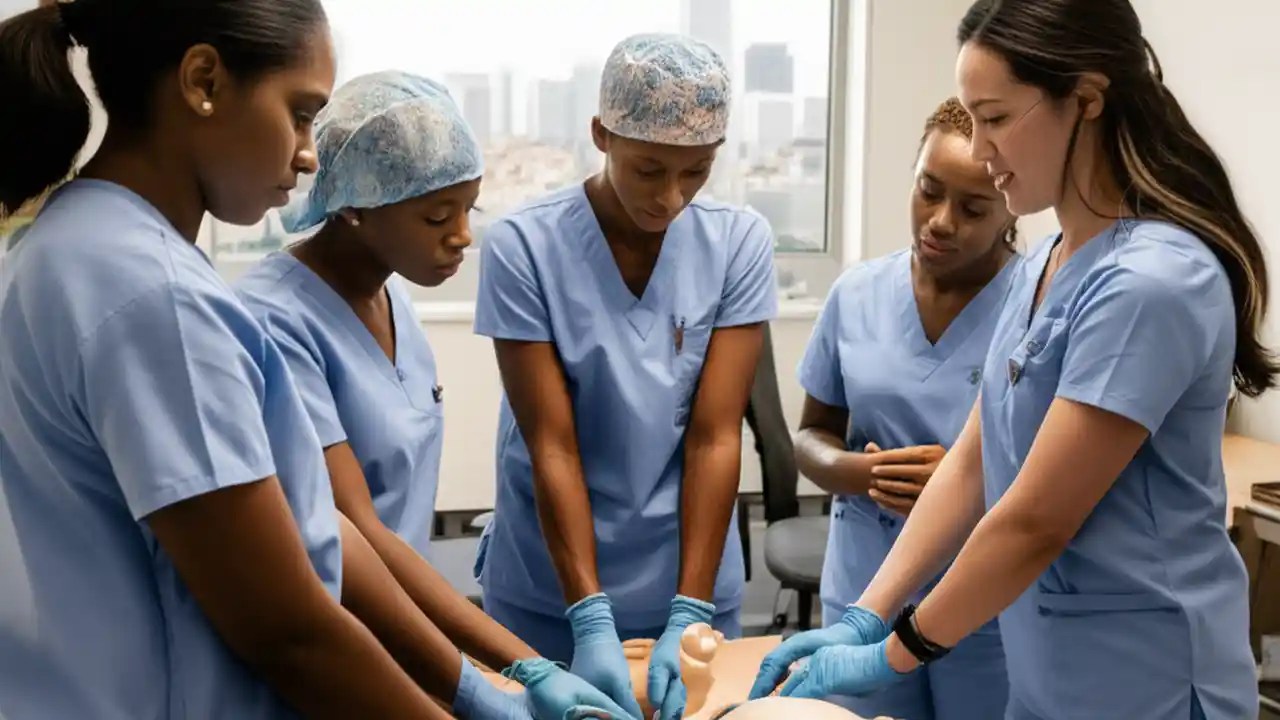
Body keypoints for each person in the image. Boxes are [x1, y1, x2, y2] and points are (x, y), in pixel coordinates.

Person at [750, 1, 1274, 718]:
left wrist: (894, 650)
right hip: (1047, 673)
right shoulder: (1045, 267)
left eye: (995, 118)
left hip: (1144, 678)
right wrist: (864, 616)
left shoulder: (1152, 282)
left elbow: (1034, 521)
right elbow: (975, 461)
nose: (981, 145)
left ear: (1085, 99)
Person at [0, 1, 454, 718]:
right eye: (300, 114)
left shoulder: (68, 246)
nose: (309, 154)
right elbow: (286, 630)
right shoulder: (153, 295)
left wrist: (477, 684)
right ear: (203, 80)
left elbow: (298, 525)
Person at [236, 70, 633, 720]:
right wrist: (521, 662)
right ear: (358, 207)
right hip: (324, 653)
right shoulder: (274, 322)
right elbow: (357, 529)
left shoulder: (393, 298)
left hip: (398, 634)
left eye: (468, 210)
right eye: (435, 216)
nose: (462, 236)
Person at [474, 32, 778, 720]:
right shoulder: (525, 247)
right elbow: (552, 443)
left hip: (688, 571)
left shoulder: (737, 242)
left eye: (696, 172)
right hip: (551, 586)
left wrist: (691, 609)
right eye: (649, 169)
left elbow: (714, 436)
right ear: (601, 135)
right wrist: (588, 617)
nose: (671, 198)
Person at [778, 97, 1017, 720]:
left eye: (972, 208)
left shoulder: (1035, 306)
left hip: (986, 600)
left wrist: (965, 483)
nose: (940, 221)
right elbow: (811, 436)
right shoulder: (857, 293)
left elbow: (1058, 475)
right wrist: (860, 473)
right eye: (927, 191)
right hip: (866, 583)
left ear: (1010, 207)